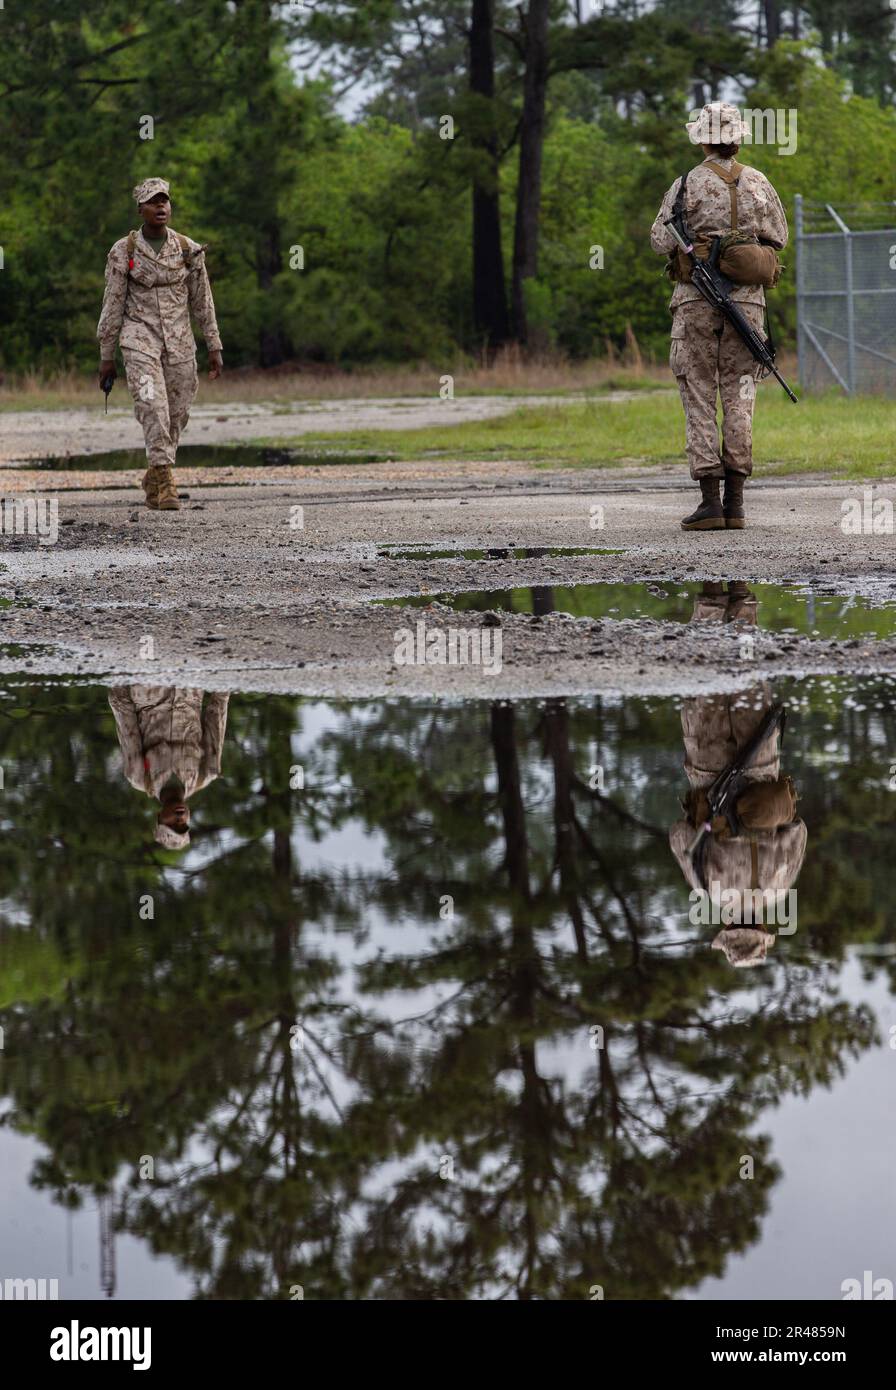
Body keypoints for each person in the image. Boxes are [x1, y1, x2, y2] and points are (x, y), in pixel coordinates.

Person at [650, 104, 788, 531]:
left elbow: (658, 240)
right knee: (741, 394)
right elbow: (778, 237)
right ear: (739, 138)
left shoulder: (686, 184)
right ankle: (737, 503)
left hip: (695, 301)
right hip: (748, 306)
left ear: (703, 140)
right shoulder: (759, 182)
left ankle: (710, 501)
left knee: (698, 392)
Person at [668, 582, 807, 968]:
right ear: (728, 926)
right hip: (709, 766)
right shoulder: (709, 893)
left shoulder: (779, 890)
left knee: (746, 668)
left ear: (761, 925)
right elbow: (679, 836)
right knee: (706, 671)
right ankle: (712, 592)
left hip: (760, 760)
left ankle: (741, 593)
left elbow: (798, 831)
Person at [97, 178, 223, 512]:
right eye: (153, 202)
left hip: (180, 342)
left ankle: (153, 473)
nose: (160, 207)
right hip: (140, 339)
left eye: (164, 201)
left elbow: (202, 301)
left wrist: (214, 344)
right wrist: (106, 355)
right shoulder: (124, 251)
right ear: (141, 209)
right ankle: (166, 480)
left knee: (177, 412)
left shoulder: (187, 249)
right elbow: (112, 304)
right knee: (152, 405)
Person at [108, 686, 230, 849]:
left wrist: (118, 682)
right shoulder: (205, 773)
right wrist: (223, 688)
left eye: (172, 824)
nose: (179, 819)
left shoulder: (140, 778)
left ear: (159, 817)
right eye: (183, 825)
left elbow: (126, 725)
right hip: (189, 689)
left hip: (149, 690)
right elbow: (216, 719)